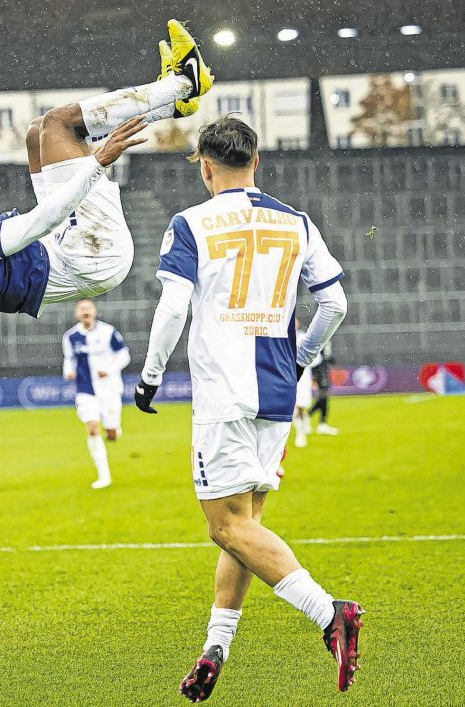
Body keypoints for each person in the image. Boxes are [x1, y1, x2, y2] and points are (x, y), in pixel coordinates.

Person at [130, 117, 362, 700]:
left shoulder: (190, 224)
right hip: (277, 388)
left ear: (205, 167)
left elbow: (173, 308)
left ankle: (330, 613)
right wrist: (302, 355)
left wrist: (151, 376)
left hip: (225, 391)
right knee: (244, 528)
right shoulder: (297, 222)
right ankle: (216, 646)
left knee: (225, 525)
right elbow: (333, 303)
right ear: (256, 162)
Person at [0, 20, 212, 317]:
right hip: (89, 253)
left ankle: (173, 106)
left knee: (36, 132)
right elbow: (38, 222)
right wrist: (96, 163)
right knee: (58, 123)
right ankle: (183, 83)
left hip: (75, 255)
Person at [62, 299, 131, 489]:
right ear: (76, 313)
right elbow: (69, 359)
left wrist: (108, 369)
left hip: (109, 389)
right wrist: (68, 371)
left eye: (88, 308)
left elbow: (124, 356)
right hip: (85, 389)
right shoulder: (71, 336)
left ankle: (113, 429)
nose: (85, 312)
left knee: (111, 432)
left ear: (94, 311)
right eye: (81, 309)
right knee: (92, 428)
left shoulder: (108, 332)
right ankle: (104, 476)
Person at [309, 342, 339, 435]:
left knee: (324, 398)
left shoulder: (327, 338)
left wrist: (329, 359)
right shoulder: (320, 335)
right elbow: (315, 355)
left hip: (324, 369)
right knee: (323, 396)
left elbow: (326, 354)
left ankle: (321, 423)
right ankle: (309, 416)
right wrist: (314, 375)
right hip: (319, 370)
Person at [293, 319, 313, 448]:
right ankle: (300, 433)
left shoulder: (302, 337)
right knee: (293, 407)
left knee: (301, 404)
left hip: (302, 375)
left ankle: (303, 427)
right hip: (286, 375)